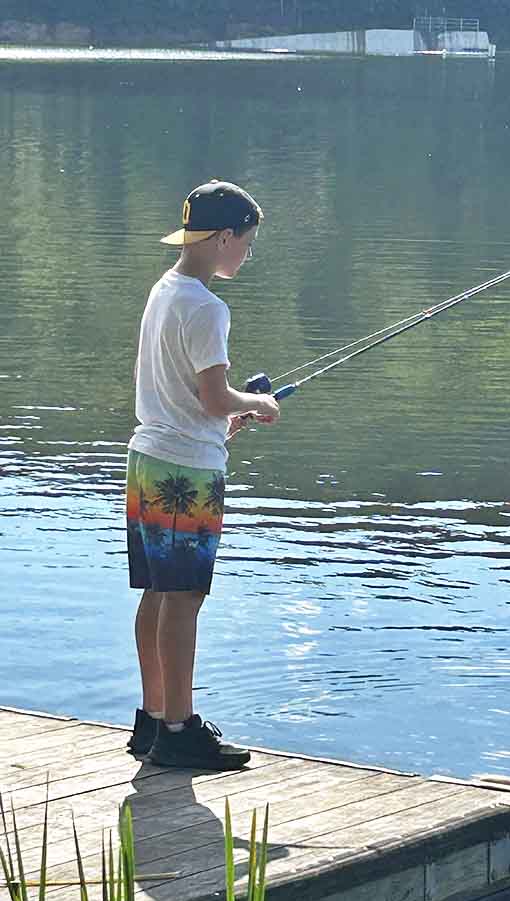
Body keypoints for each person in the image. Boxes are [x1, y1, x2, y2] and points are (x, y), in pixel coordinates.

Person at [125, 180, 280, 770]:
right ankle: (181, 729)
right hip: (187, 472)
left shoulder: (166, 290)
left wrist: (224, 416)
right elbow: (215, 397)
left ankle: (152, 720)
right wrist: (255, 406)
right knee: (185, 597)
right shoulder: (208, 307)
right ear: (223, 238)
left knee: (159, 592)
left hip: (148, 458)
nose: (247, 253)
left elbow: (186, 395)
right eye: (246, 242)